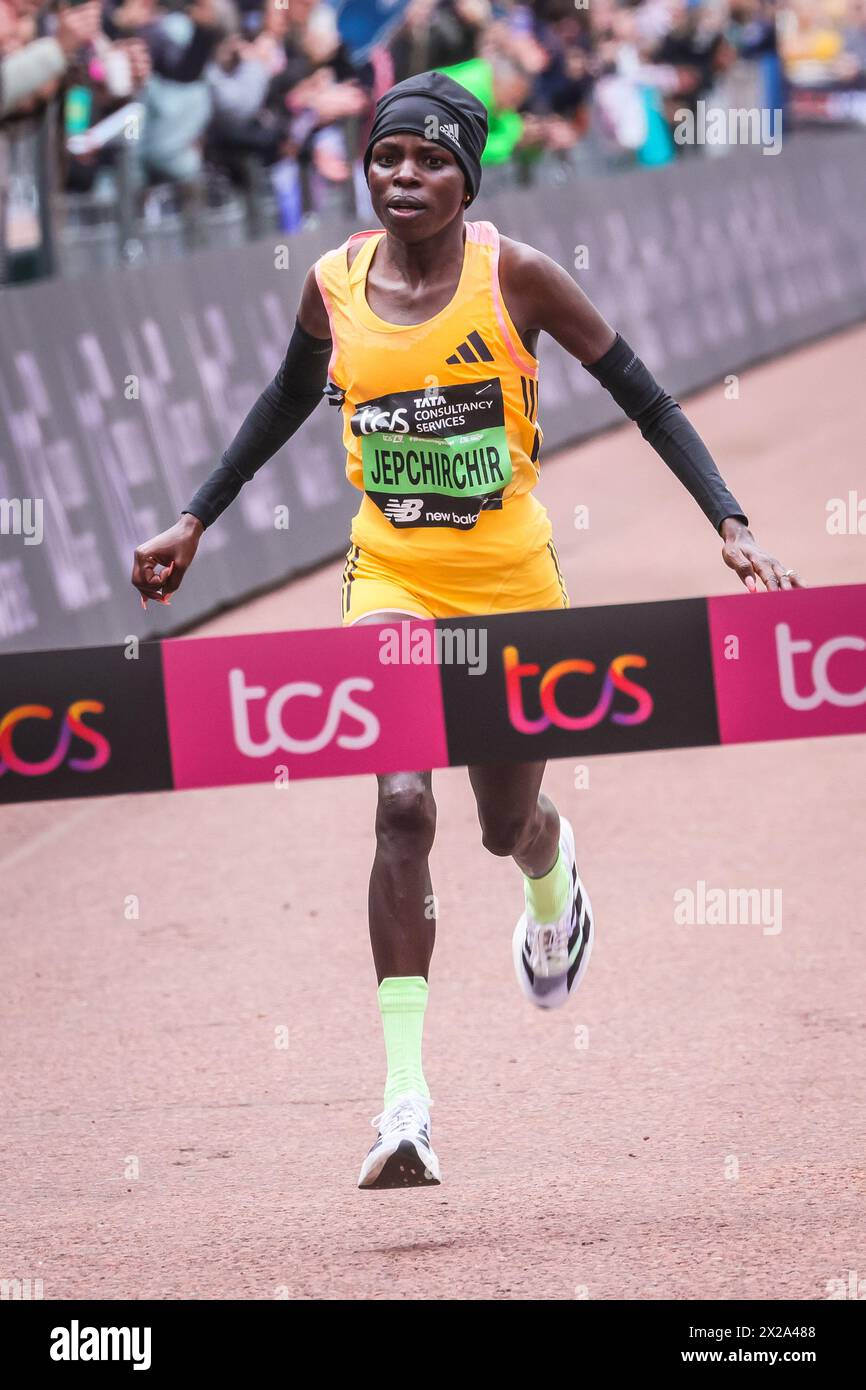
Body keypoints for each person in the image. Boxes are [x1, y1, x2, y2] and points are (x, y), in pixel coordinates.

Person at [131, 68, 803, 1191]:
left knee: (500, 826)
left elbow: (647, 397)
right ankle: (405, 1104)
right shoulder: (332, 284)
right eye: (388, 156)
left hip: (509, 588)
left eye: (430, 160)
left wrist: (728, 522)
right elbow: (283, 401)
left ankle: (551, 877)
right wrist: (194, 517)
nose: (404, 176)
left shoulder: (517, 278)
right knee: (402, 807)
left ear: (465, 178)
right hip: (389, 578)